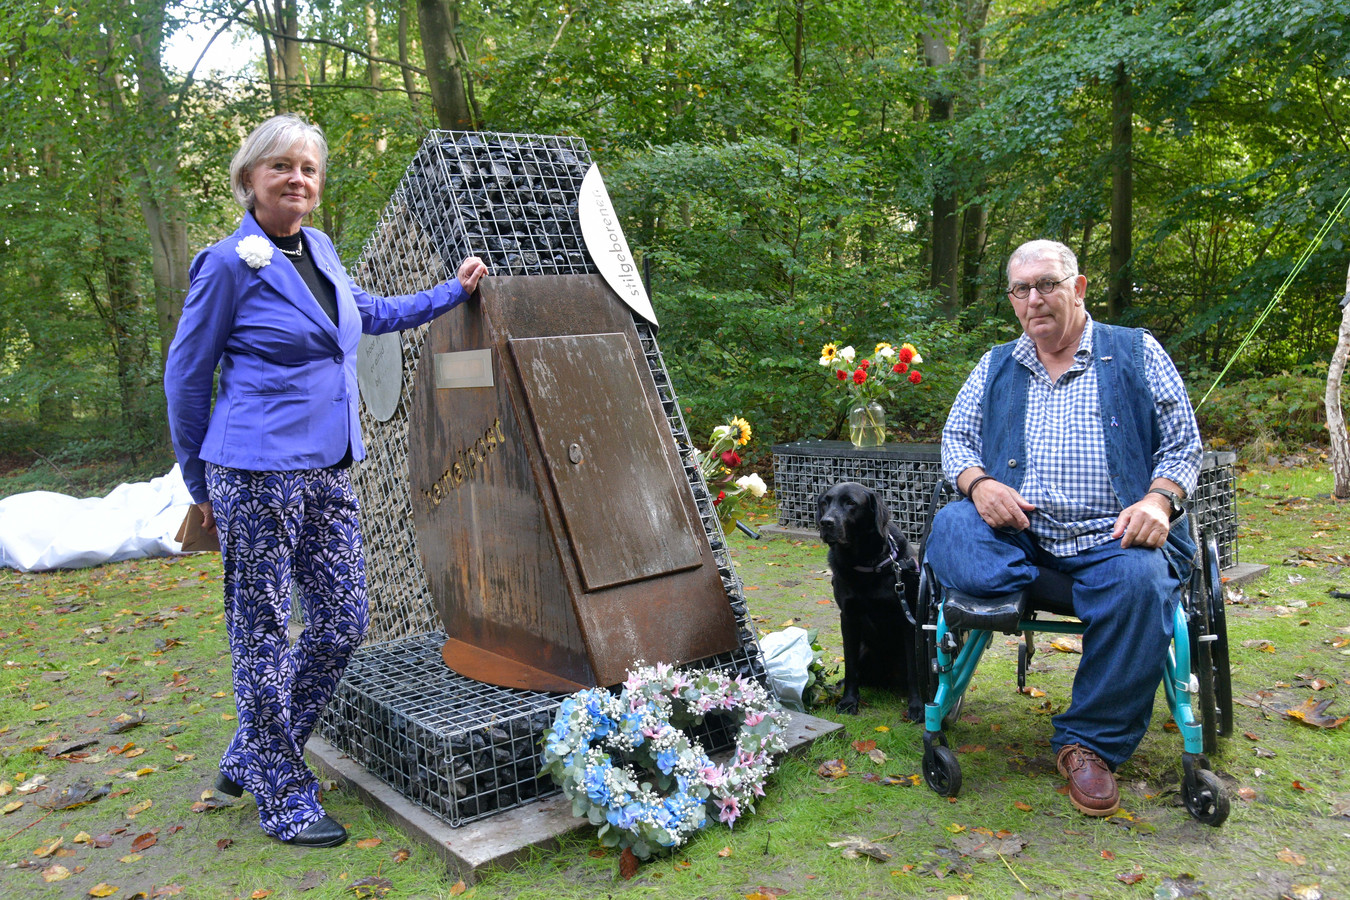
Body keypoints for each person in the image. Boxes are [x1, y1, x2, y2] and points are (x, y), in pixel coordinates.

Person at [164, 114, 489, 847]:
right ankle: (281, 794)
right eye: (280, 166)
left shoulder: (322, 249)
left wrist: (449, 292)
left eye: (308, 168)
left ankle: (253, 752)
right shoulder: (226, 263)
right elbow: (186, 377)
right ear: (250, 179)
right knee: (265, 633)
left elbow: (366, 314)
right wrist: (198, 481)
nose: (297, 179)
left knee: (344, 621)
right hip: (252, 473)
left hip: (330, 470)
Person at [926, 239, 1201, 818]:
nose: (1034, 299)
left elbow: (1183, 446)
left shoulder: (1135, 352)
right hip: (1021, 538)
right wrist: (979, 484)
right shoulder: (996, 363)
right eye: (1021, 289)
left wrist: (1160, 500)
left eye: (1047, 284)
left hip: (1115, 540)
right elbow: (956, 442)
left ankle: (1089, 744)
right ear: (1012, 299)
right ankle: (1029, 583)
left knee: (1143, 583)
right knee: (951, 527)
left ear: (1077, 288)